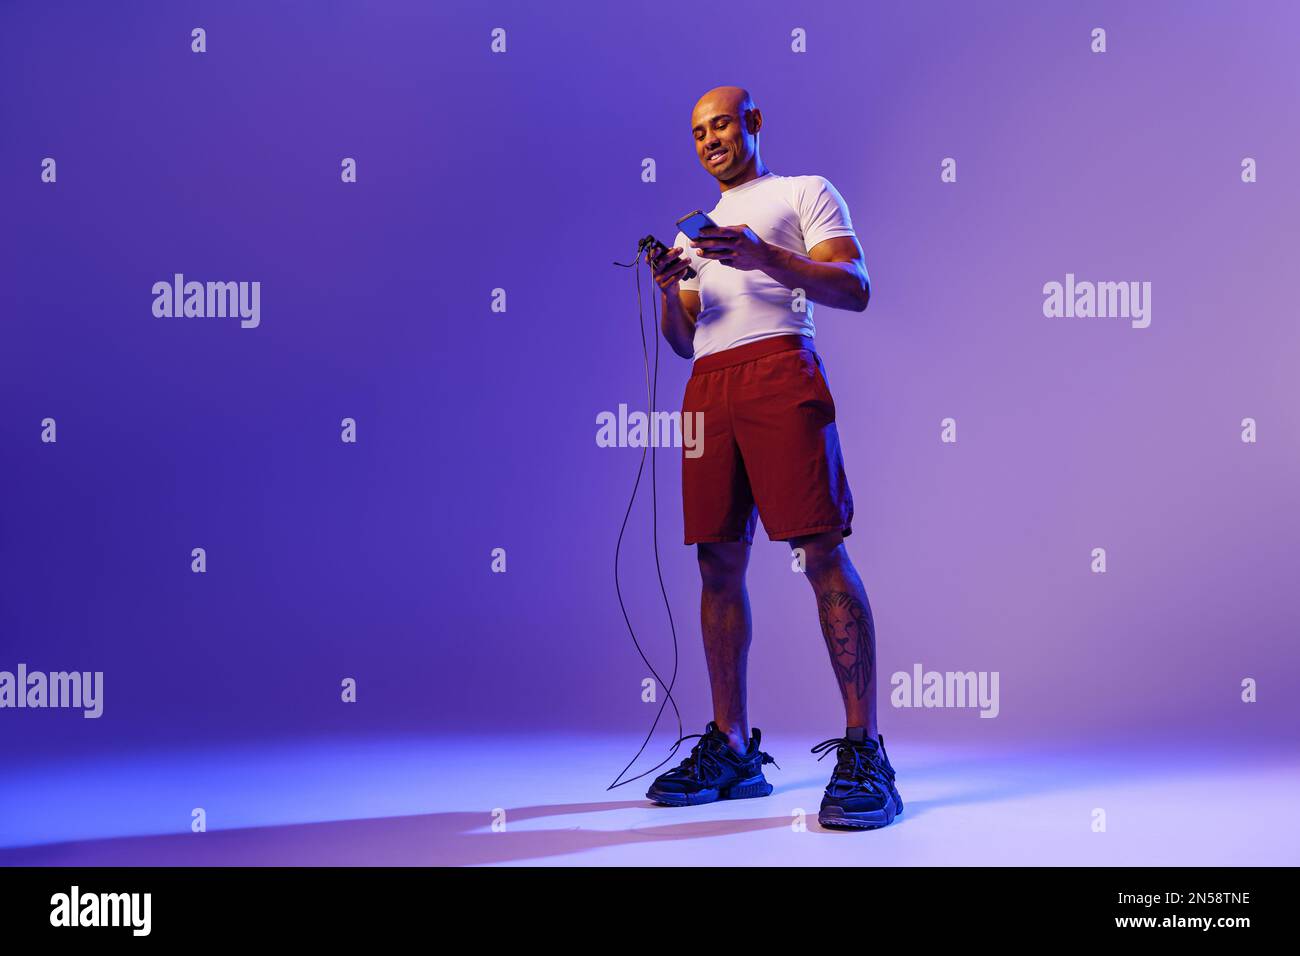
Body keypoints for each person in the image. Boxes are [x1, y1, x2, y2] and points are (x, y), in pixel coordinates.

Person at [645, 86, 902, 829]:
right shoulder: (694, 234)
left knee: (820, 551)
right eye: (697, 132)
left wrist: (765, 256)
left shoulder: (804, 192)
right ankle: (730, 750)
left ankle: (865, 752)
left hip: (781, 369)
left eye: (721, 123)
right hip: (711, 385)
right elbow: (684, 338)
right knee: (716, 563)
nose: (709, 139)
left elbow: (855, 287)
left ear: (753, 123)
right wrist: (672, 291)